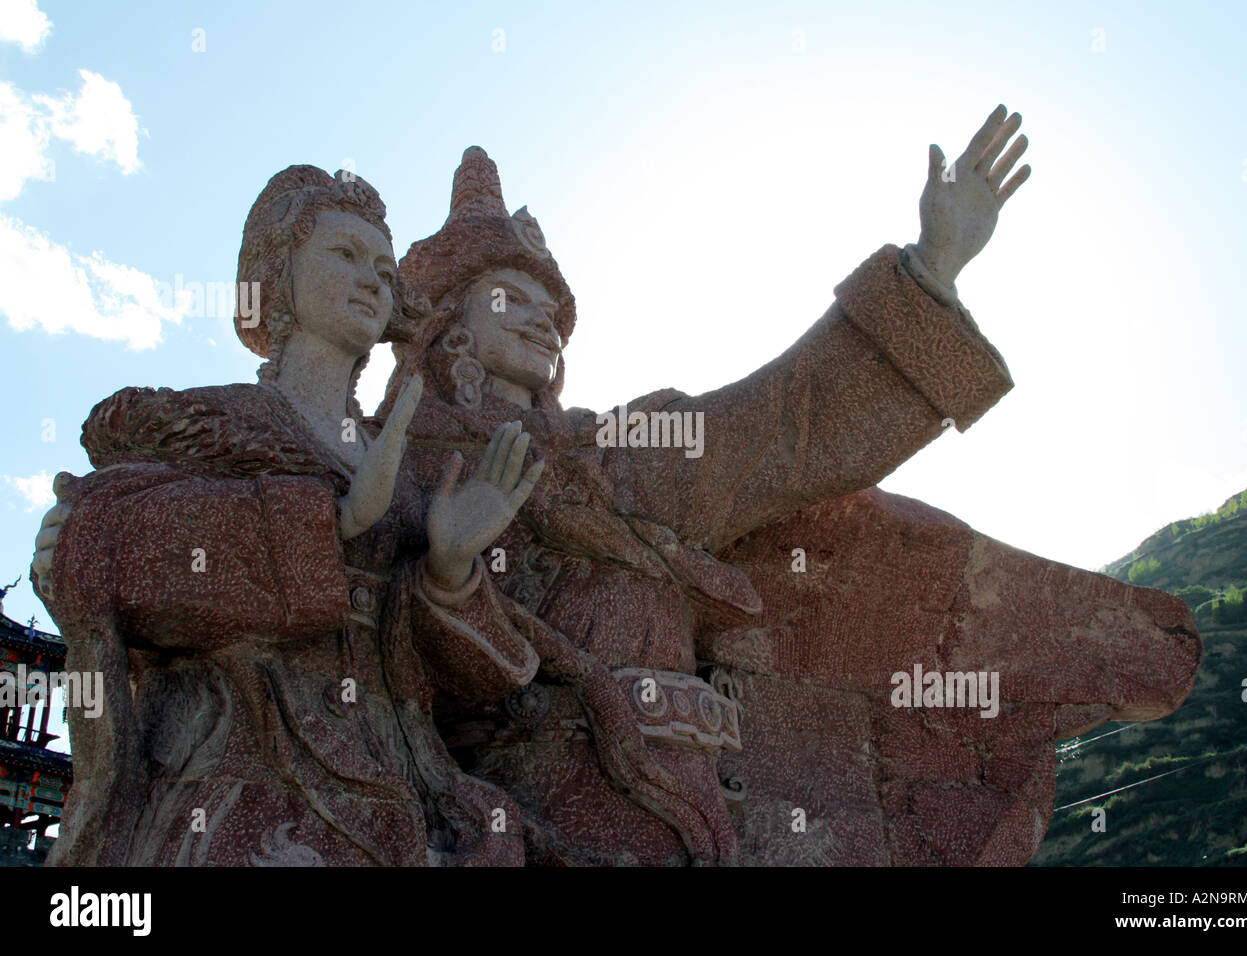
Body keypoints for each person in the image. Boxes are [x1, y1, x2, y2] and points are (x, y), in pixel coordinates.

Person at [376, 111, 1197, 865]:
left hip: (694, 798)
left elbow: (781, 421)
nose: (541, 320)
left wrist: (932, 267)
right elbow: (375, 653)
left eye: (552, 307)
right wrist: (449, 573)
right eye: (508, 298)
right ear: (448, 324)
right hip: (526, 805)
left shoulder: (625, 447)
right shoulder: (393, 464)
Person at [31, 166, 544, 866]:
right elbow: (97, 549)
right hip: (247, 778)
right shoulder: (201, 422)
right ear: (278, 275)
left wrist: (449, 573)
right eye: (344, 255)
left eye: (385, 269)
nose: (372, 279)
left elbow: (467, 679)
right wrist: (325, 524)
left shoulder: (402, 470)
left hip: (398, 787)